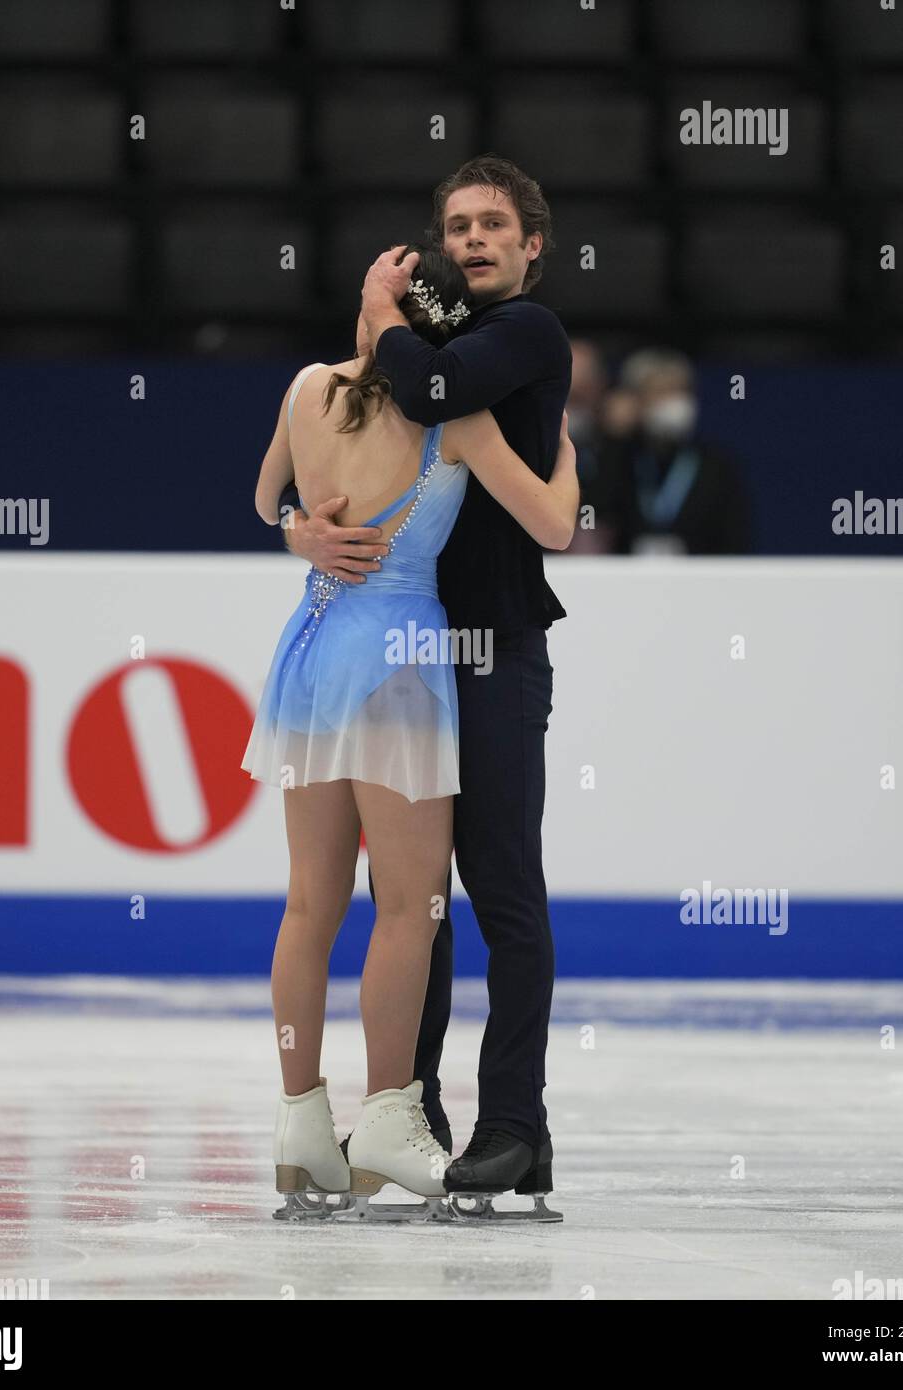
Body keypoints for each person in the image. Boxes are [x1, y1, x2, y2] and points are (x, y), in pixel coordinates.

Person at [245, 244, 578, 1220]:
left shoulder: (306, 389)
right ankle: (389, 1115)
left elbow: (267, 500)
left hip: (308, 647)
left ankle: (300, 1119)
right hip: (395, 658)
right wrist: (561, 461)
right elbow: (552, 527)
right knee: (409, 906)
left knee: (310, 902)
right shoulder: (456, 417)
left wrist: (304, 532)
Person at [594, 348, 752, 555]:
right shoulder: (620, 458)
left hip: (700, 578)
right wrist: (614, 437)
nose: (673, 402)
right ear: (636, 400)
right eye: (661, 392)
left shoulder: (715, 465)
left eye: (680, 391)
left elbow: (735, 539)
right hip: (624, 578)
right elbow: (597, 514)